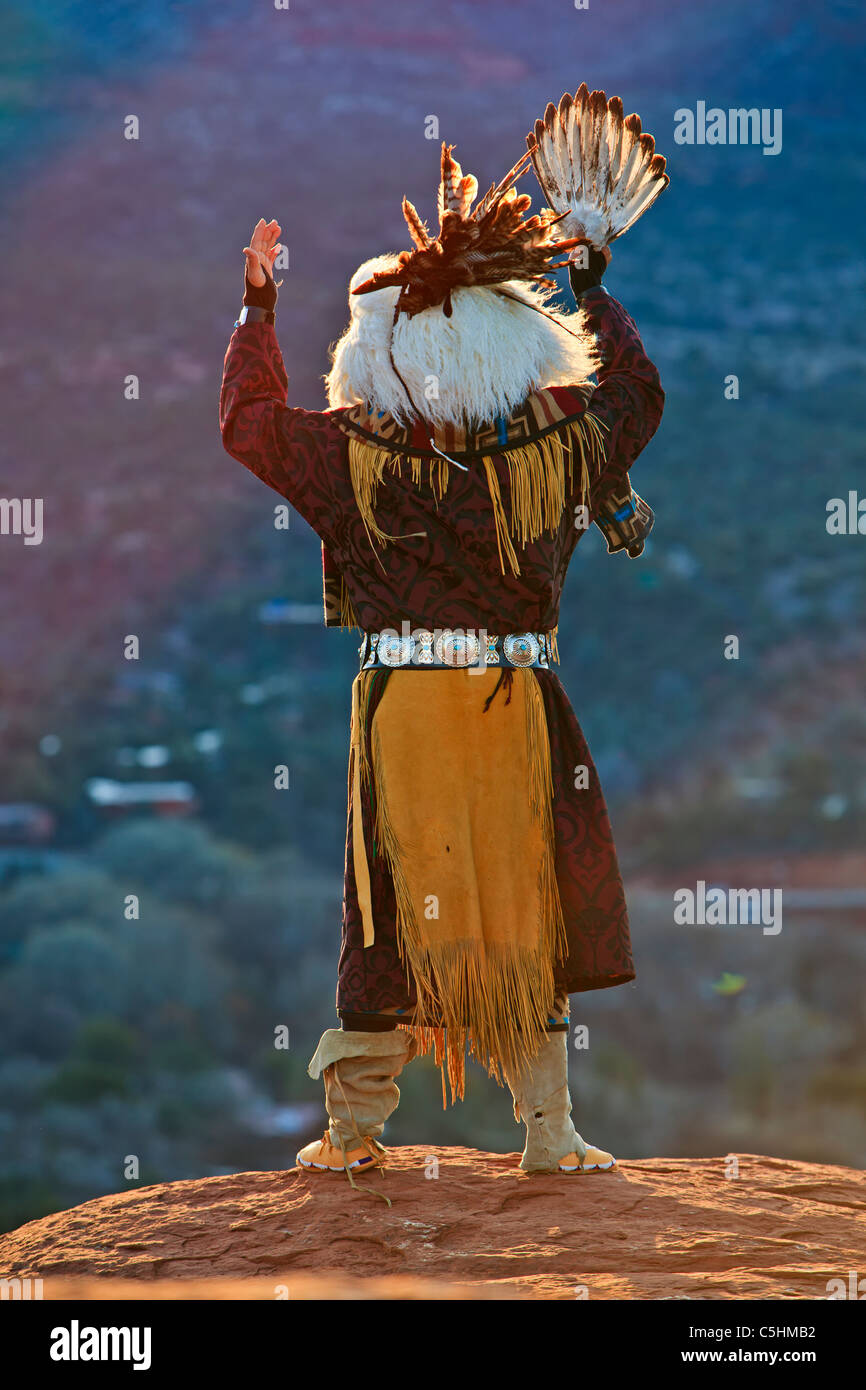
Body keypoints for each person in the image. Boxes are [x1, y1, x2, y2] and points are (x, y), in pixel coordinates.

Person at [219, 143, 664, 1181]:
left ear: (380, 347)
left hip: (402, 710)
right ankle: (548, 1132)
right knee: (524, 904)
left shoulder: (349, 457)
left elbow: (248, 426)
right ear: (511, 340)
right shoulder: (562, 451)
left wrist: (257, 310)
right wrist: (593, 286)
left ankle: (350, 1132)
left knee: (386, 906)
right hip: (517, 700)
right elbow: (635, 395)